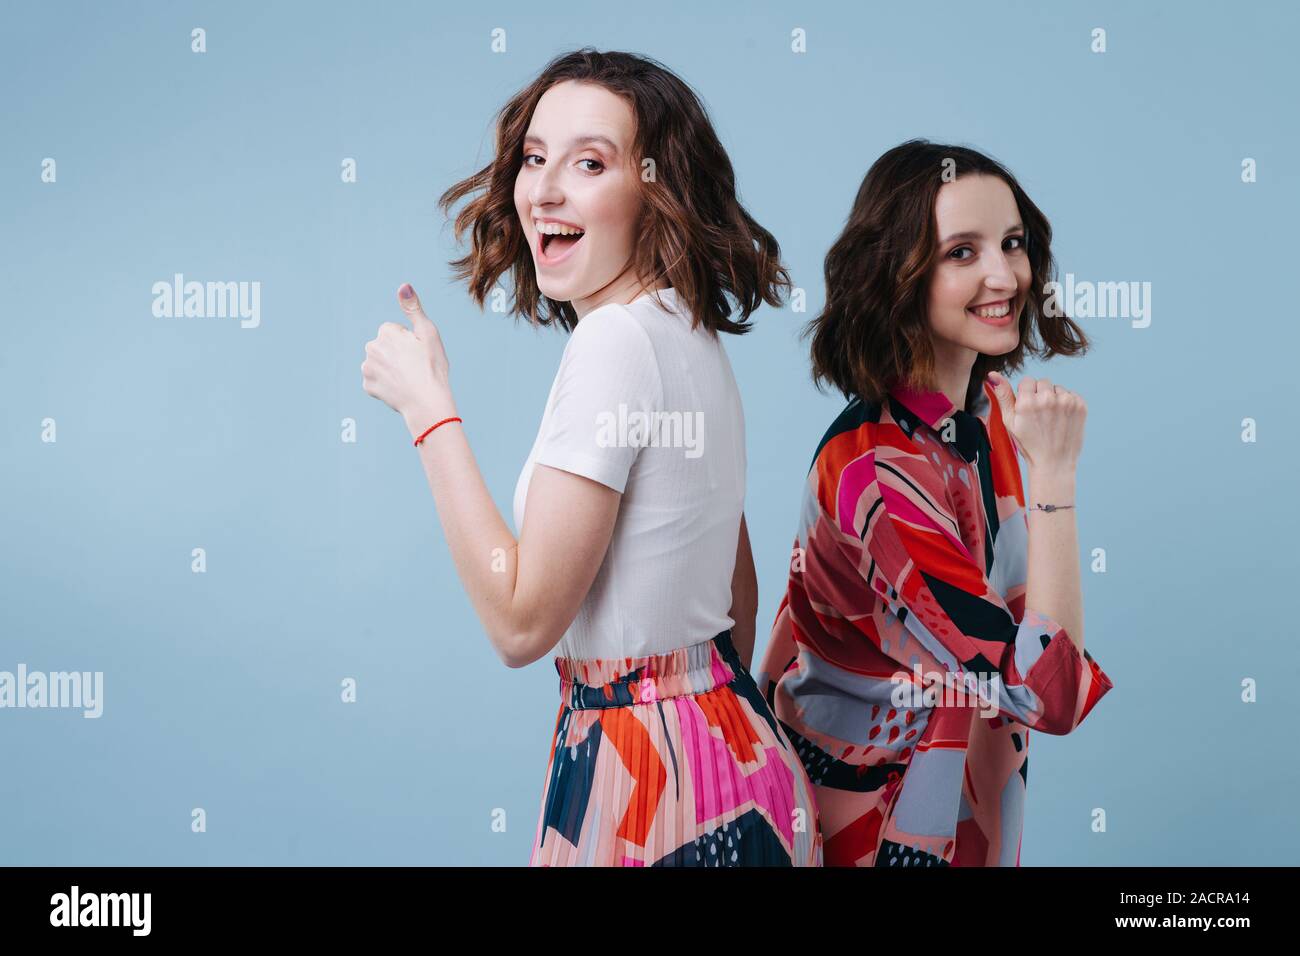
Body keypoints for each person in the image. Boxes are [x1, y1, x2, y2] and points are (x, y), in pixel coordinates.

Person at [362, 48, 821, 867]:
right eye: (535, 158)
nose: (543, 189)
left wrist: (429, 411)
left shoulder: (613, 343)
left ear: (658, 190)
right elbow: (736, 601)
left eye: (589, 162)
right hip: (738, 754)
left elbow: (521, 620)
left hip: (641, 774)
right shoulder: (687, 335)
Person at [755, 139, 1114, 866]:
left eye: (1011, 244)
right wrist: (1056, 482)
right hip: (871, 828)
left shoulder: (986, 416)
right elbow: (1052, 694)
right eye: (961, 252)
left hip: (961, 806)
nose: (1001, 274)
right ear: (898, 274)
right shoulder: (880, 476)